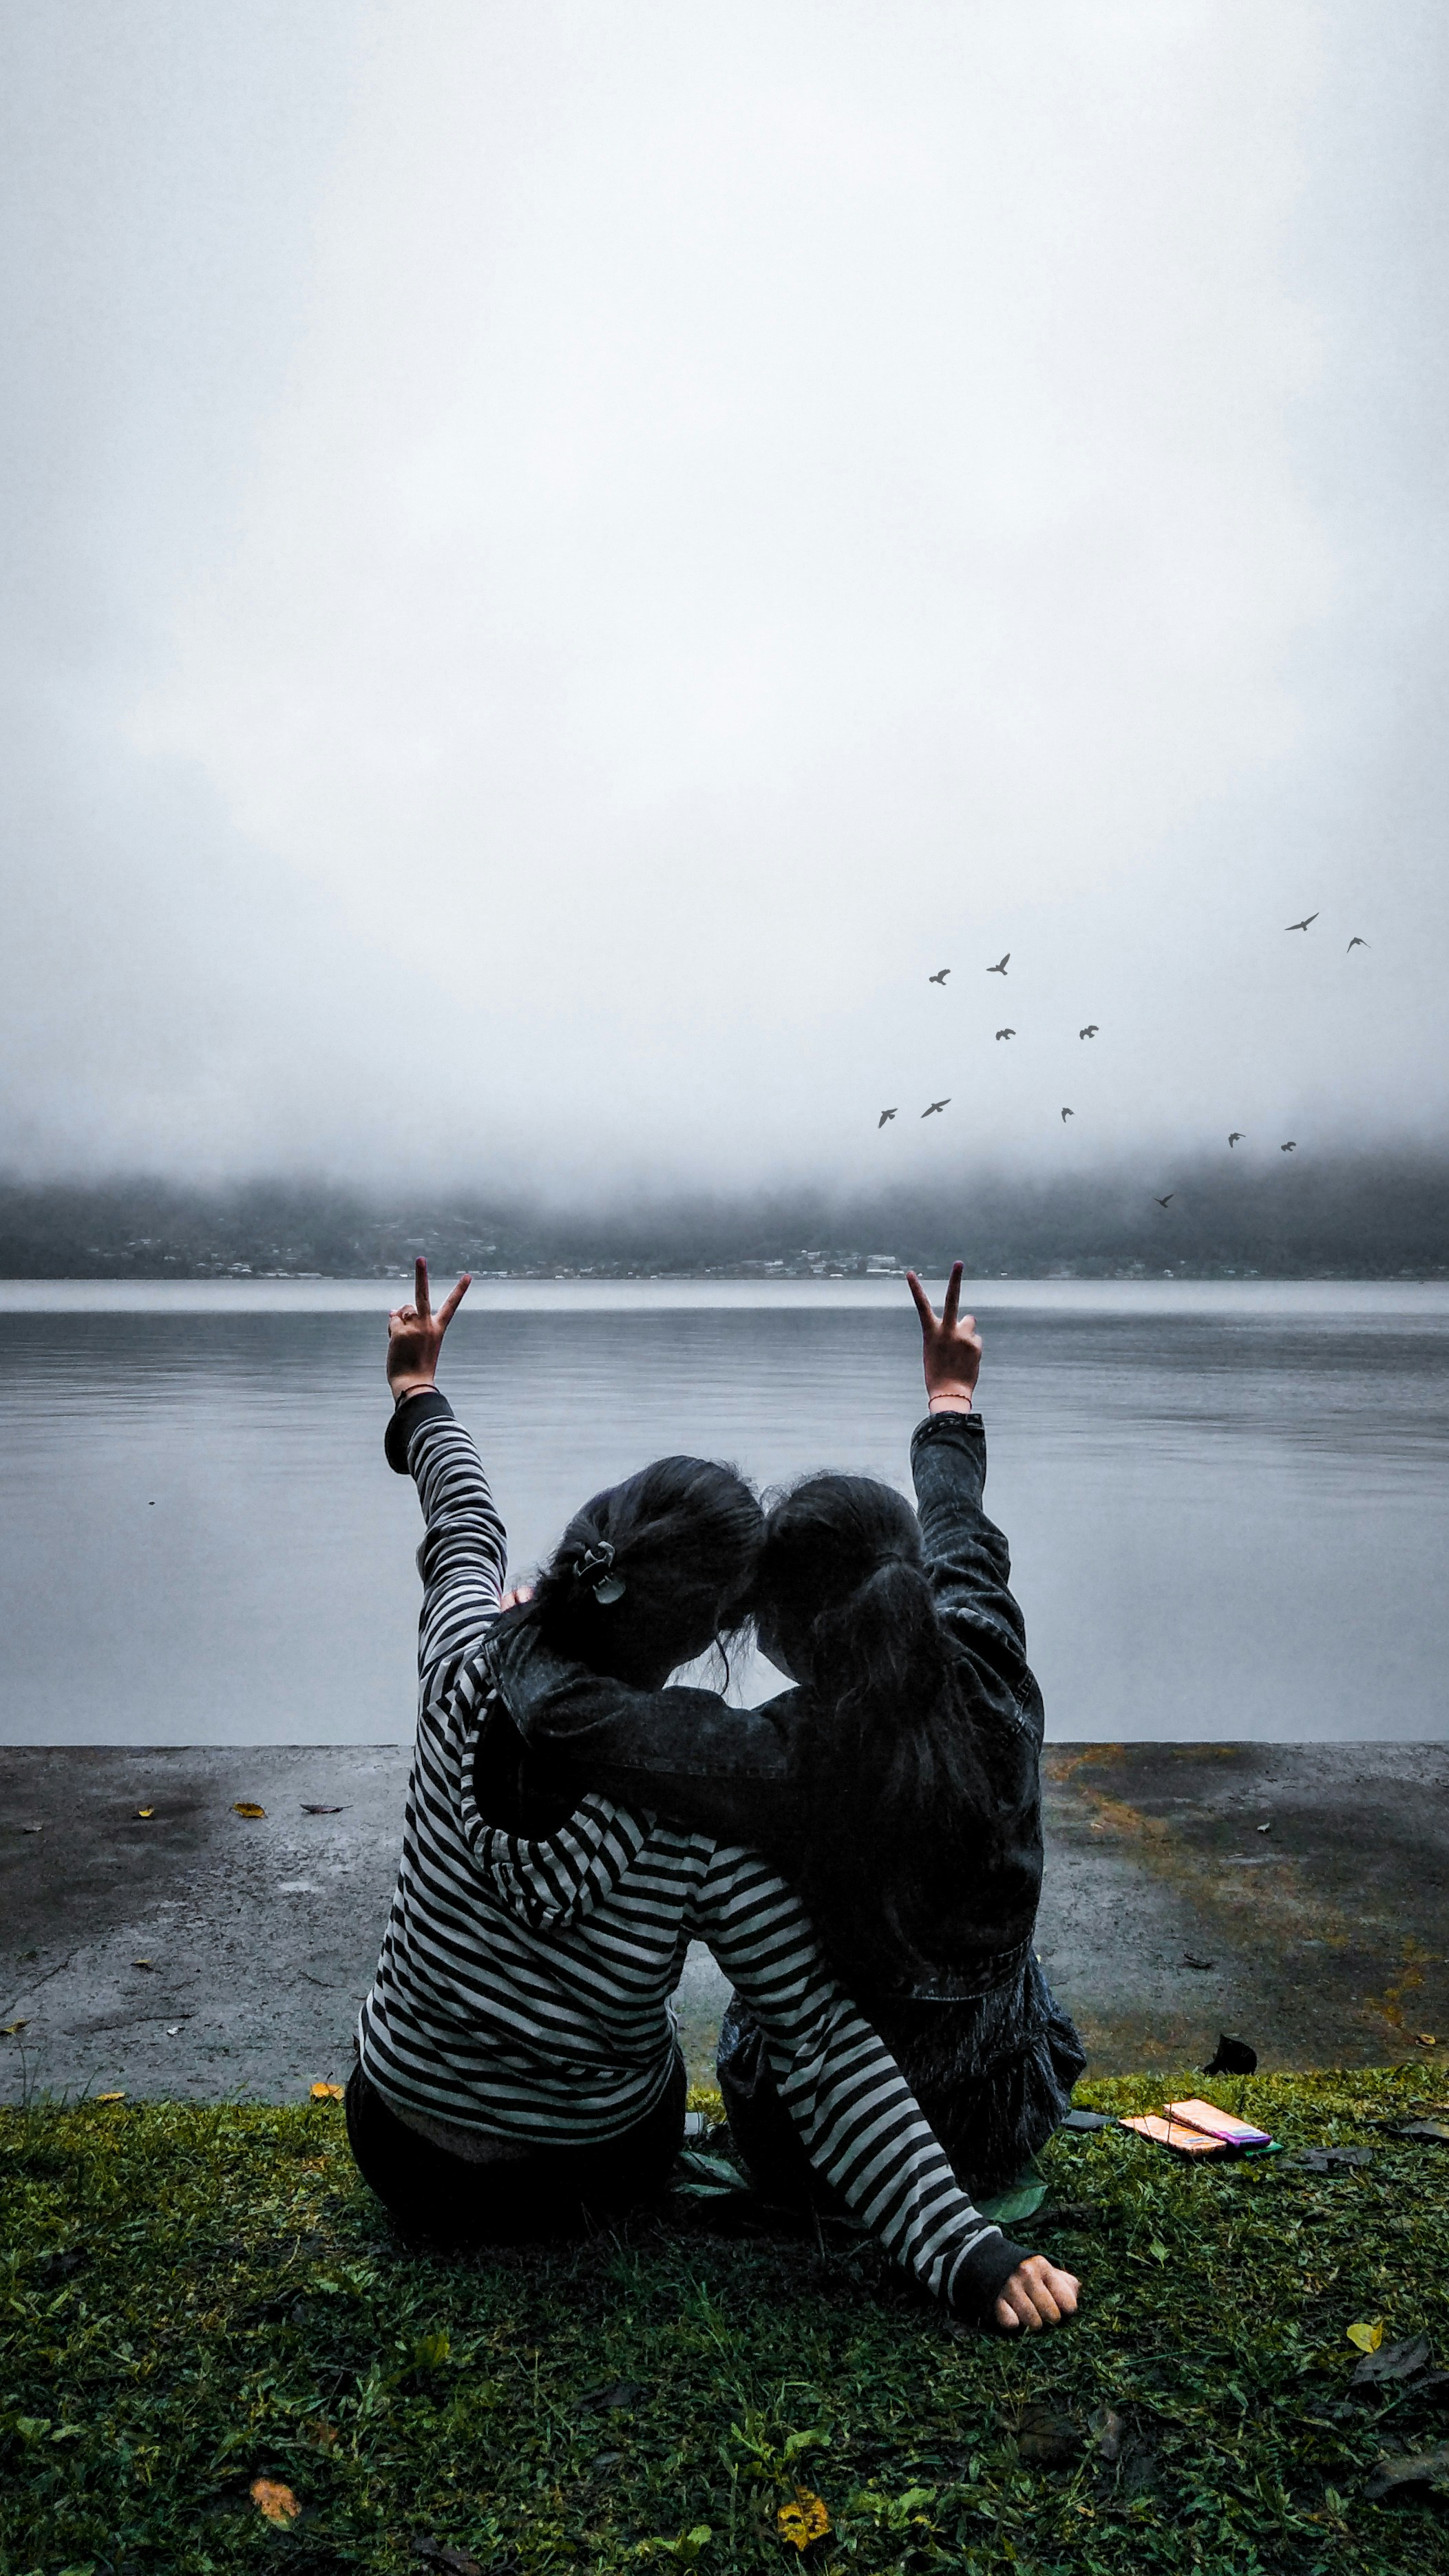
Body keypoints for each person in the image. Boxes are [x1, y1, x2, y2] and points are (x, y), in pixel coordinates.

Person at [348, 1261, 1079, 2335]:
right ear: (699, 1640)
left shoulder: (464, 1656)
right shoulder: (715, 1821)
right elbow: (823, 2046)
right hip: (592, 2172)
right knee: (745, 2022)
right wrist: (966, 2248)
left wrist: (418, 1391)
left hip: (401, 2151)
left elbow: (462, 1519)